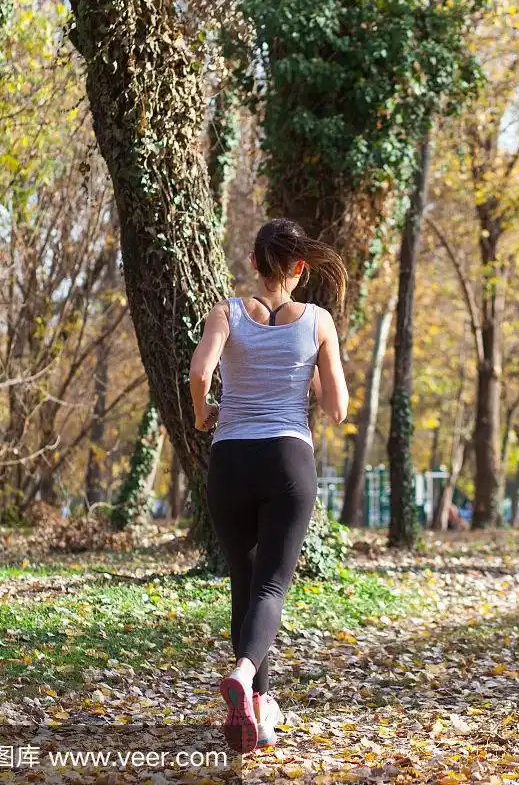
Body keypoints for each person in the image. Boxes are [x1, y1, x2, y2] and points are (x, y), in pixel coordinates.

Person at [188, 218, 349, 754]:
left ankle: (256, 709)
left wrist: (203, 414)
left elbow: (200, 373)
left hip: (231, 460)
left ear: (255, 263)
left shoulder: (227, 312)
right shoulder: (318, 321)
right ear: (300, 266)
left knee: (245, 581)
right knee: (271, 588)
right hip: (287, 461)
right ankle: (245, 673)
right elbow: (337, 408)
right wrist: (310, 372)